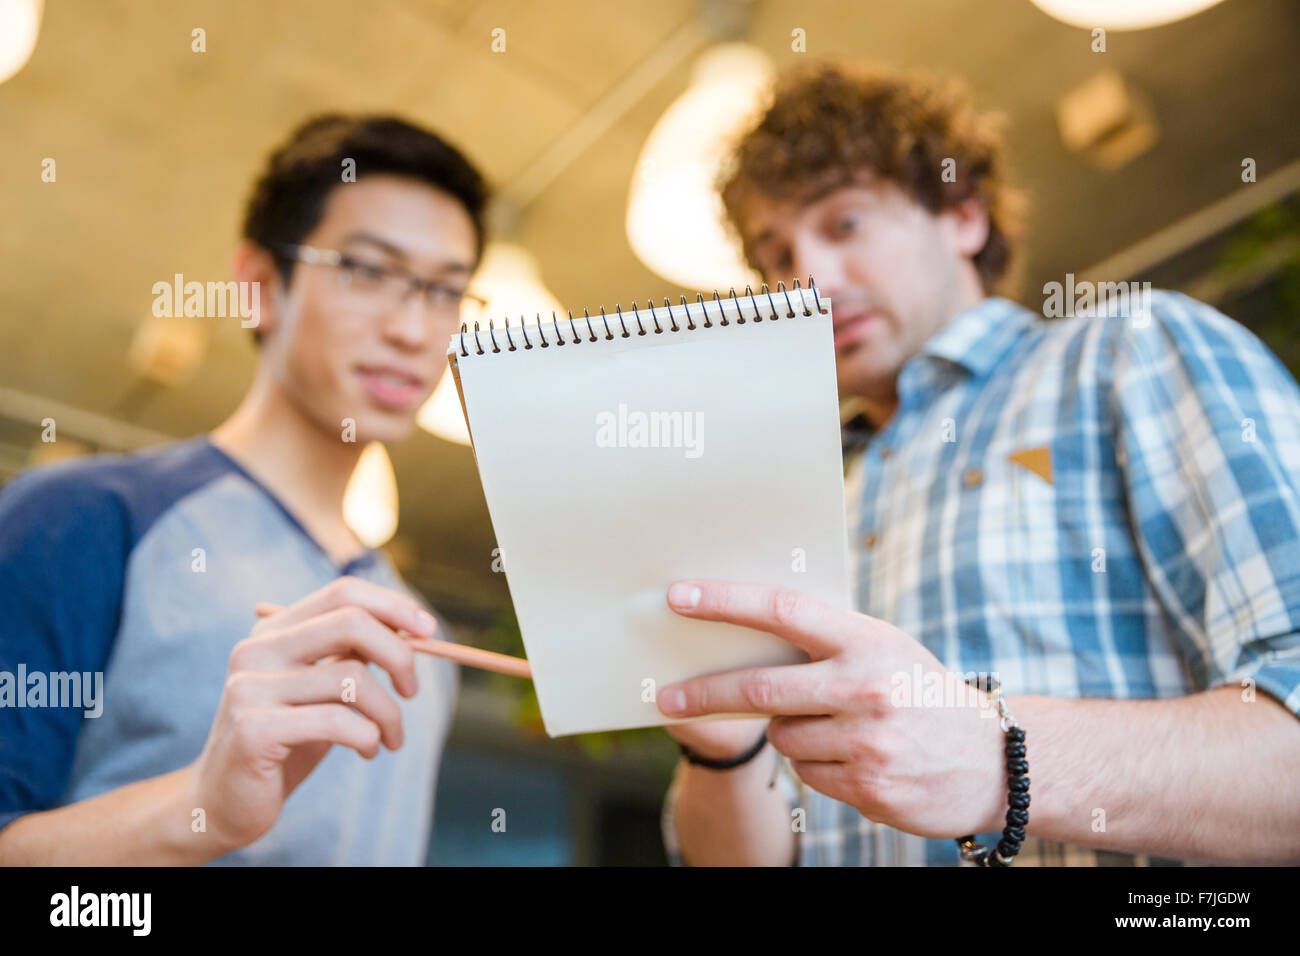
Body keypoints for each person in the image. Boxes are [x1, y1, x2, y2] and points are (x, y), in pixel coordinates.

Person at [658, 62, 1300, 866]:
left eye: (845, 223)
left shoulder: (1130, 351)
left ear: (963, 216)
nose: (808, 281)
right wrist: (724, 749)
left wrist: (994, 754)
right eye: (777, 253)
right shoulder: (805, 502)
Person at [0, 114, 489, 864]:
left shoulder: (422, 633)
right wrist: (197, 809)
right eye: (368, 270)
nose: (415, 329)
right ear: (260, 286)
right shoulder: (79, 518)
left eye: (446, 292)